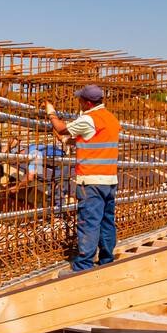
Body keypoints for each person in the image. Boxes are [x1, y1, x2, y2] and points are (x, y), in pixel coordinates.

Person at [47, 85, 120, 270]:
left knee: (89, 222)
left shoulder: (89, 118)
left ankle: (83, 266)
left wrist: (51, 113)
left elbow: (62, 128)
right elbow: (93, 139)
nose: (78, 103)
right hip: (109, 181)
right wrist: (70, 141)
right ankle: (106, 261)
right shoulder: (111, 118)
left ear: (88, 103)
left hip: (91, 181)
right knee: (106, 222)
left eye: (80, 100)